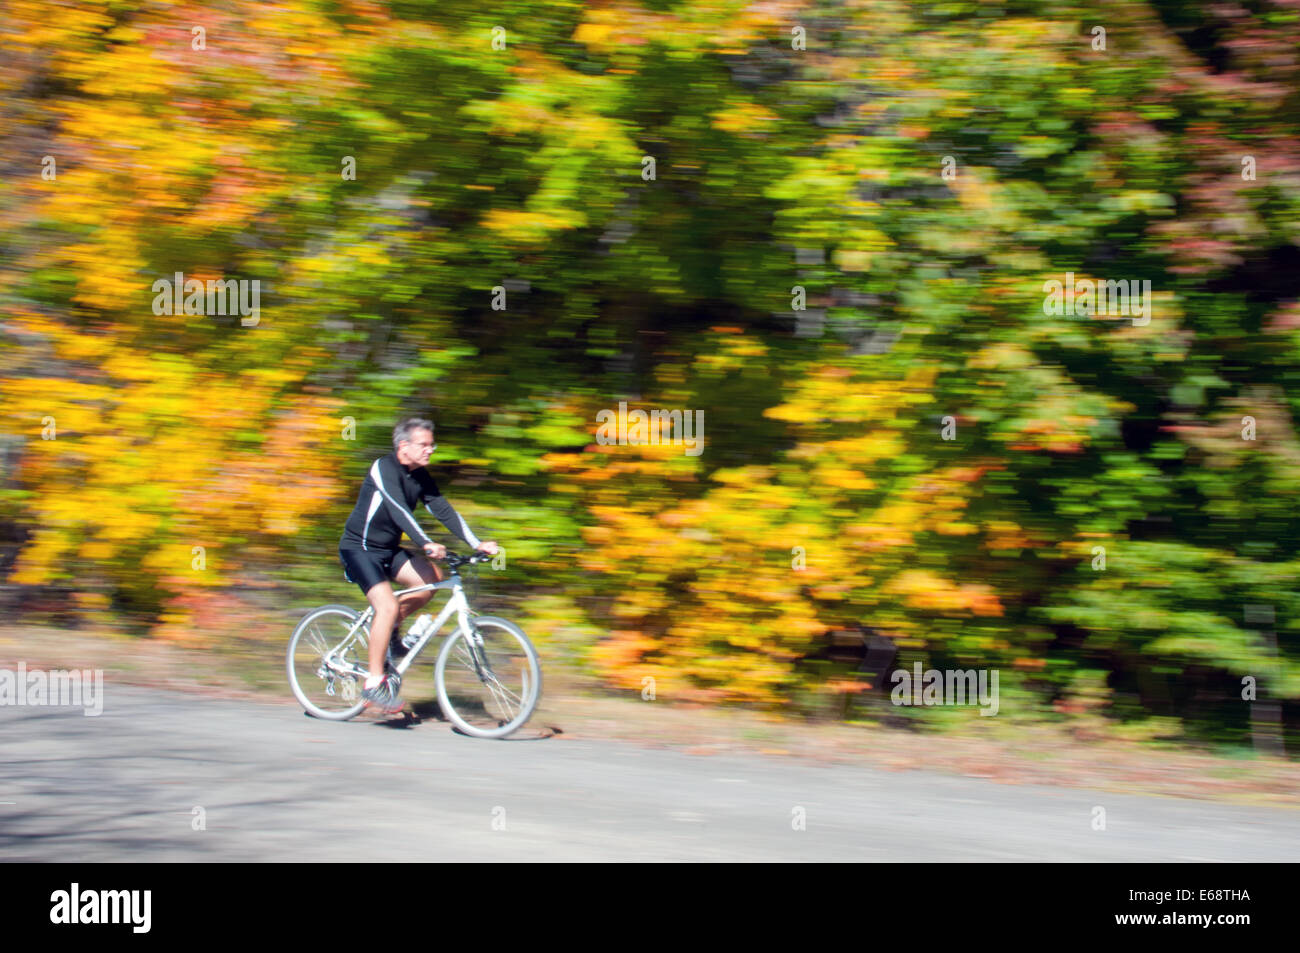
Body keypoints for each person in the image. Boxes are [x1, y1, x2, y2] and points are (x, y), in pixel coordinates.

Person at [338, 416, 500, 713]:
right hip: (359, 549)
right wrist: (426, 542)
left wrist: (476, 543)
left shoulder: (420, 476)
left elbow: (443, 510)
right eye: (424, 445)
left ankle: (391, 634)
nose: (431, 450)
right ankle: (374, 683)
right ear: (404, 446)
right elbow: (399, 511)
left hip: (387, 550)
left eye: (432, 444)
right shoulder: (383, 468)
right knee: (385, 606)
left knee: (431, 578)